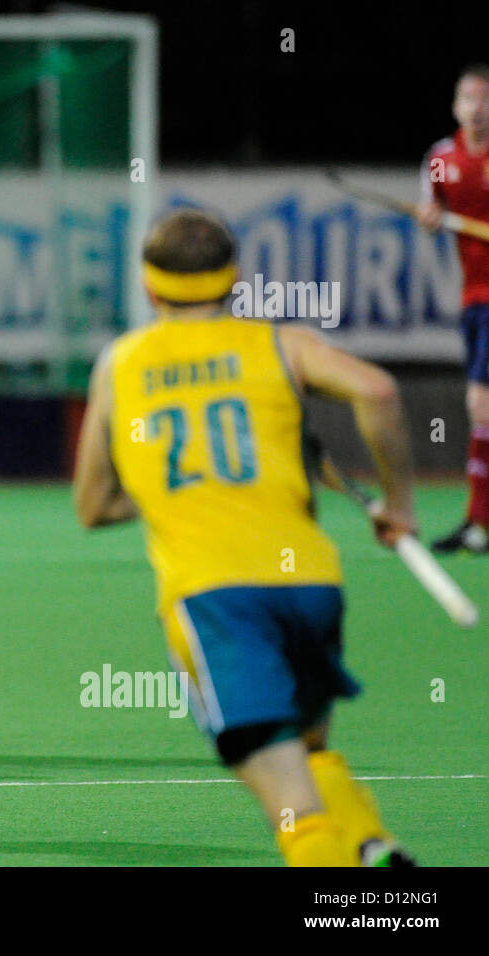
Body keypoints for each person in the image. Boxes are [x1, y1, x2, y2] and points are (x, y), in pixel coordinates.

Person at [73, 208, 417, 867]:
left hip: (214, 596)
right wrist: (397, 502)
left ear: (149, 289)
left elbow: (93, 505)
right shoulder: (281, 345)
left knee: (294, 809)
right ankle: (373, 849)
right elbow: (377, 390)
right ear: (235, 283)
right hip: (312, 584)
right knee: (309, 753)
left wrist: (174, 496)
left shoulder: (121, 364)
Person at [416, 64, 489, 554]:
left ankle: (477, 523)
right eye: (469, 98)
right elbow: (431, 209)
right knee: (481, 408)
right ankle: (478, 522)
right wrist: (429, 217)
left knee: (480, 405)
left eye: (485, 99)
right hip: (474, 299)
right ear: (456, 105)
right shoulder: (441, 159)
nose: (478, 108)